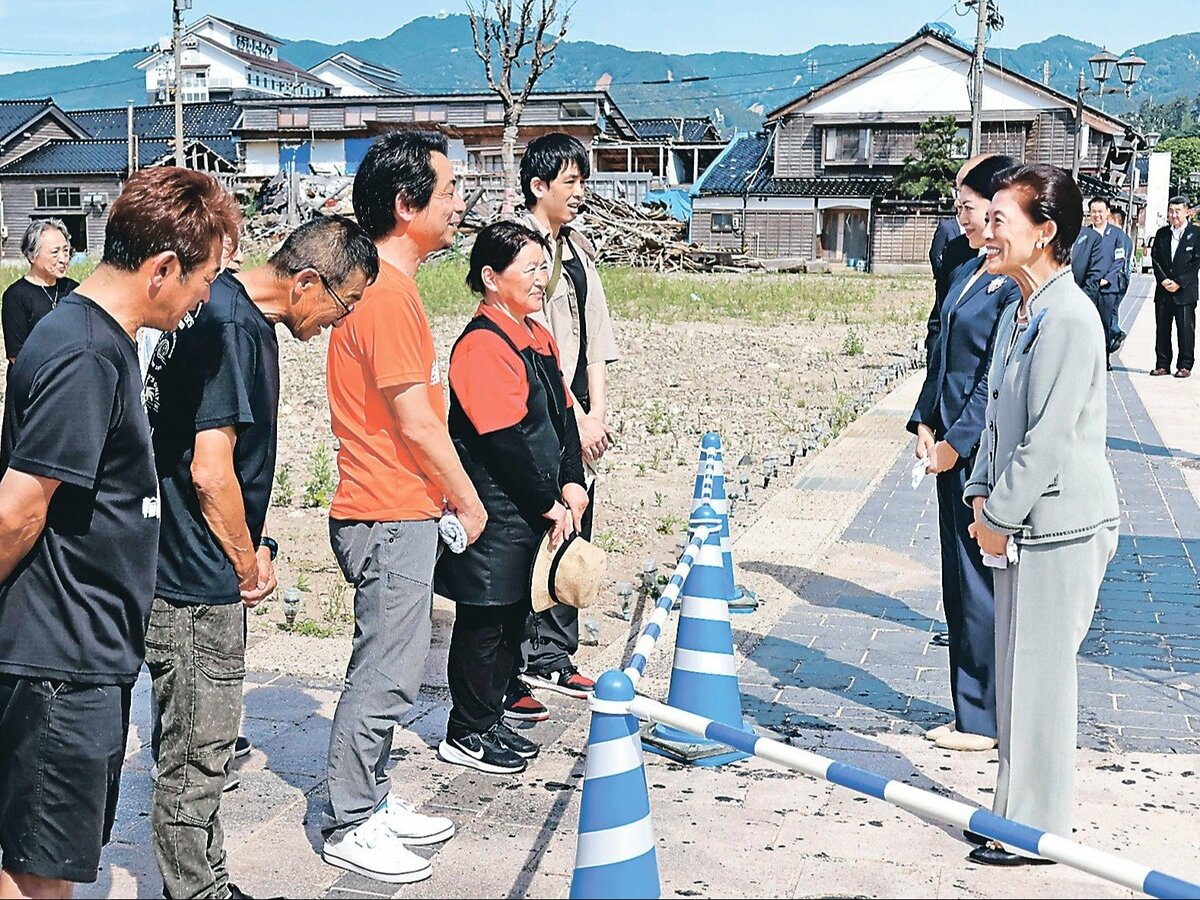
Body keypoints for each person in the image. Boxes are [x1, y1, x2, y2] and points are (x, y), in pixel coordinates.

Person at [0, 167, 238, 899]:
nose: (205, 299)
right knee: (40, 874)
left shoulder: (96, 338)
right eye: (204, 279)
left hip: (81, 650)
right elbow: (17, 509)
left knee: (45, 863)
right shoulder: (85, 352)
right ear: (162, 268)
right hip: (61, 655)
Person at [145, 215, 378, 900]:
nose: (341, 322)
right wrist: (246, 562)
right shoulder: (232, 327)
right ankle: (196, 892)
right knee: (197, 757)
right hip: (195, 577)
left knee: (202, 751)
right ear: (306, 282)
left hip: (189, 559)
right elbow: (209, 470)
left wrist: (258, 541)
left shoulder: (223, 308)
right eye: (345, 303)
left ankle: (210, 884)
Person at [322, 130, 486, 885]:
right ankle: (350, 819)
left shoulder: (388, 287)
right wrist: (467, 499)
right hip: (386, 510)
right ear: (405, 204)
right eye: (449, 191)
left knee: (392, 665)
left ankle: (372, 798)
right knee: (385, 673)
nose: (459, 204)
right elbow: (416, 421)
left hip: (397, 507)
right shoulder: (385, 294)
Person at [964, 163, 1119, 866]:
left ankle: (1037, 830)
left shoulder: (1071, 318)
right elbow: (999, 420)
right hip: (1022, 522)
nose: (985, 232)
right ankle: (1012, 811)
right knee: (1016, 677)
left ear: (1045, 231)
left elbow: (1049, 438)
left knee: (1042, 681)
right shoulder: (1020, 309)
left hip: (1062, 526)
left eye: (1000, 220)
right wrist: (979, 493)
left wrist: (996, 514)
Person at [435, 221, 588, 775]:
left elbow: (563, 415)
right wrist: (548, 502)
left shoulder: (536, 334)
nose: (541, 279)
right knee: (484, 620)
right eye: (529, 269)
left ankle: (491, 713)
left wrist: (572, 481)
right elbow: (502, 441)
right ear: (491, 277)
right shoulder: (481, 344)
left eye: (544, 267)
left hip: (533, 504)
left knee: (515, 616)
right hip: (496, 506)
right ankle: (465, 729)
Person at [504, 132, 619, 721]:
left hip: (580, 412)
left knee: (576, 523)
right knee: (540, 525)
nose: (580, 192)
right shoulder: (521, 251)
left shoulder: (577, 246)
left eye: (582, 181)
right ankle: (524, 653)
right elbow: (535, 343)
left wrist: (597, 410)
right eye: (570, 182)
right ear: (538, 186)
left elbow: (596, 337)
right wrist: (575, 415)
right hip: (544, 414)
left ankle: (554, 651)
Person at [909, 154, 1019, 753]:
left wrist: (958, 443)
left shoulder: (1012, 284)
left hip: (978, 454)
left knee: (979, 581)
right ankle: (969, 709)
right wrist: (926, 421)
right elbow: (942, 351)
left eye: (970, 209)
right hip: (947, 445)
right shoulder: (968, 267)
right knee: (959, 577)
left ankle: (985, 719)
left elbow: (991, 383)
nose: (962, 220)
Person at [924, 158, 994, 365]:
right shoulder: (956, 250)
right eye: (958, 190)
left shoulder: (1017, 266)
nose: (958, 201)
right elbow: (940, 317)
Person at [2, 219, 77, 368]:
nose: (63, 259)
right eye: (55, 252)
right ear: (32, 256)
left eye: (65, 251)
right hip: (34, 378)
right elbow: (17, 356)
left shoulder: (73, 289)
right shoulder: (15, 296)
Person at [1149, 195, 1200, 378]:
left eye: (1178, 211)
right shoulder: (1162, 234)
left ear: (1187, 212)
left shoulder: (1196, 234)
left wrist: (1179, 282)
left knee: (1185, 329)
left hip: (1185, 291)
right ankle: (1162, 364)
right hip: (1163, 290)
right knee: (1162, 329)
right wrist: (1163, 280)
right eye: (1171, 211)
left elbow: (1196, 263)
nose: (1174, 215)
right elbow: (1155, 259)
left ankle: (1185, 365)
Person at [1086, 197, 1130, 364]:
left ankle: (1104, 359)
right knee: (1087, 324)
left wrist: (1107, 279)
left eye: (1100, 211)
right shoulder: (1084, 233)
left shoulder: (1117, 235)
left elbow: (1119, 260)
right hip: (1088, 287)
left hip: (1108, 288)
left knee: (1105, 324)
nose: (1097, 215)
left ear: (1107, 212)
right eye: (1093, 211)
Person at [1106, 207, 1135, 356]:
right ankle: (1113, 334)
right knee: (1113, 310)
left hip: (1114, 279)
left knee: (1108, 311)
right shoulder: (1127, 239)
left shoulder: (1115, 237)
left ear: (1115, 220)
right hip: (1123, 280)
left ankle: (1115, 332)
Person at [1070, 218, 1105, 306]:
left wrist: (1081, 302)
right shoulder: (1047, 234)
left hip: (1079, 301)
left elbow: (1094, 276)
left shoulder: (1092, 238)